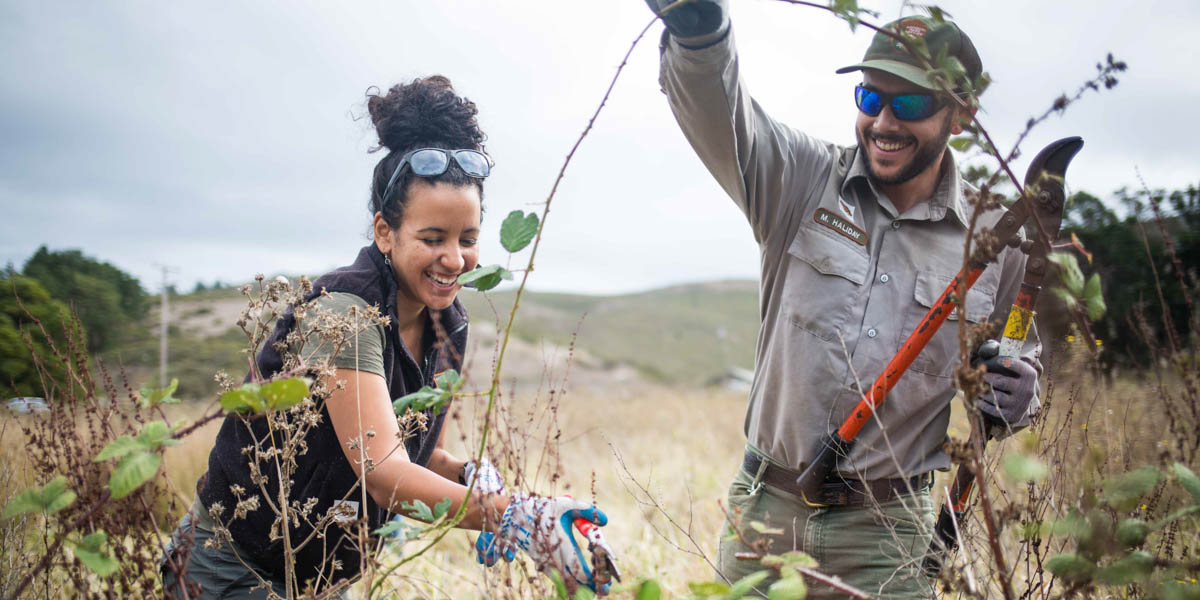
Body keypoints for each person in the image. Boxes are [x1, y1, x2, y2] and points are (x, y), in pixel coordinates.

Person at [639, 2, 1041, 598]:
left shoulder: (998, 243)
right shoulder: (799, 179)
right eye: (870, 97)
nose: (883, 120)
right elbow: (721, 115)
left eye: (908, 104)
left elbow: (1021, 355)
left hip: (887, 536)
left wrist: (1022, 393)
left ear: (962, 114)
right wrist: (700, 35)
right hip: (766, 517)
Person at [161, 75, 610, 598]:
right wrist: (514, 517)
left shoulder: (450, 326)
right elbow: (384, 474)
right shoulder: (344, 315)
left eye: (468, 239)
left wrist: (475, 477)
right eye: (432, 238)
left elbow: (419, 456)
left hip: (324, 574)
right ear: (384, 232)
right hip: (234, 569)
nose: (454, 259)